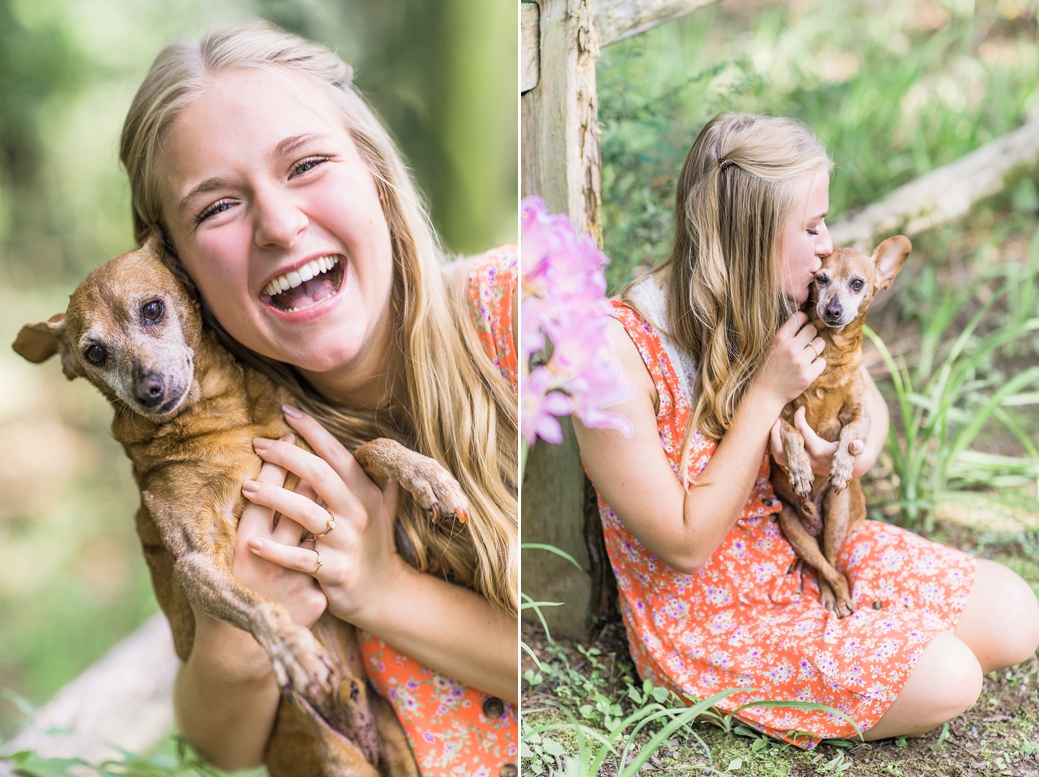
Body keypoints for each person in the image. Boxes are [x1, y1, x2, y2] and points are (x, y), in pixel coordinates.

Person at [118, 21, 518, 774]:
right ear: (172, 274)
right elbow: (223, 740)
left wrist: (378, 587)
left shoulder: (520, 319)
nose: (279, 223)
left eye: (305, 164)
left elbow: (609, 648)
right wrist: (244, 627)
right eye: (216, 208)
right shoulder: (228, 445)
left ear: (373, 169)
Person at [573, 113, 1039, 746]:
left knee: (1016, 615)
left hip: (802, 551)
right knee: (950, 678)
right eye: (813, 226)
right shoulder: (612, 353)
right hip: (711, 616)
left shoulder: (790, 293)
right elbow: (684, 544)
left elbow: (864, 403)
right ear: (753, 232)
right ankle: (878, 648)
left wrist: (844, 451)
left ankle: (875, 634)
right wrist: (767, 394)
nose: (828, 245)